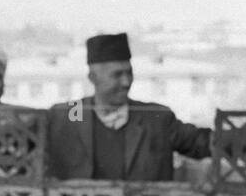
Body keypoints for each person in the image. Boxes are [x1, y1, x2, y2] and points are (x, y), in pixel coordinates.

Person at [46, 32, 212, 181]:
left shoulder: (156, 117)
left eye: (129, 73)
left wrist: (233, 137)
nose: (126, 82)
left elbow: (202, 142)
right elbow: (27, 133)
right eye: (117, 75)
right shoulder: (72, 112)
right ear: (93, 77)